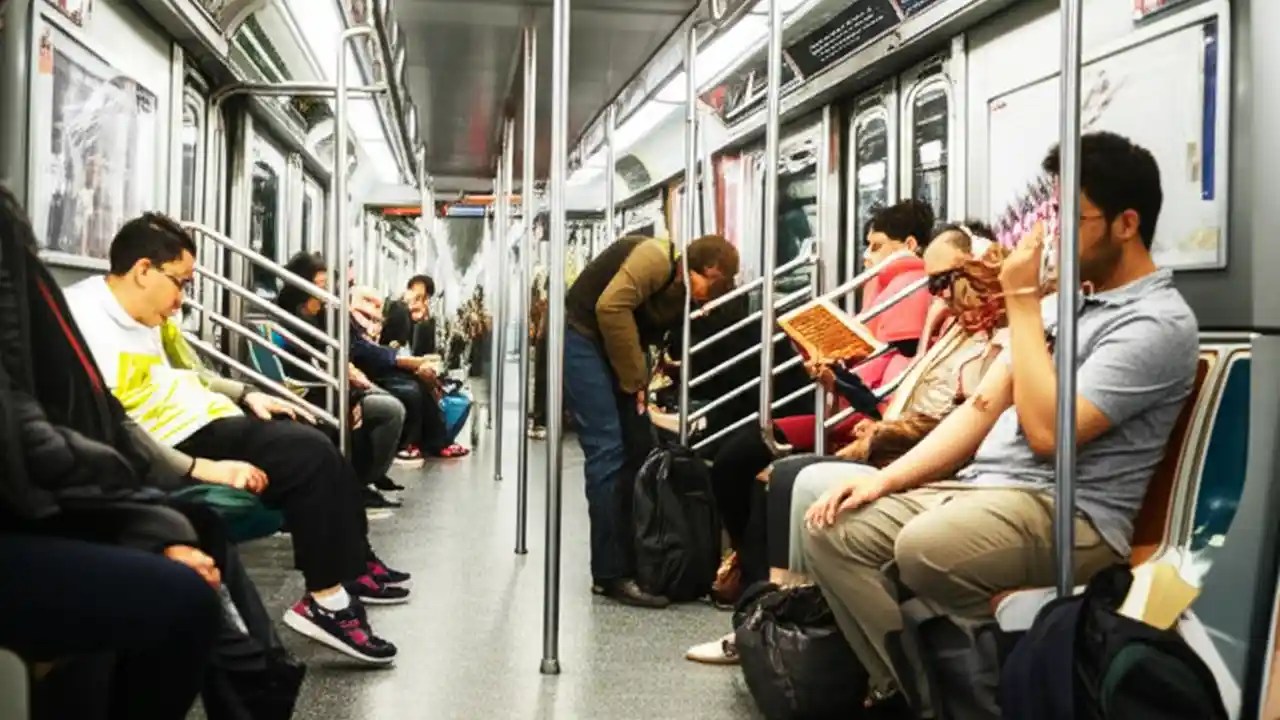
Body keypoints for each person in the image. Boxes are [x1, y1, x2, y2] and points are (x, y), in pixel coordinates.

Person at [800, 132, 1198, 712]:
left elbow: (1047, 436)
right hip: (987, 491)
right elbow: (982, 410)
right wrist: (884, 481)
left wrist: (1023, 304)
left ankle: (972, 696)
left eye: (1072, 217)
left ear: (1126, 224)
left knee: (924, 548)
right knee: (833, 531)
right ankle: (920, 696)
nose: (1056, 231)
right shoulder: (1068, 306)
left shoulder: (1156, 325)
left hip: (1072, 512)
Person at [64, 214, 411, 665]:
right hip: (174, 440)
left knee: (315, 436)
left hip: (202, 419)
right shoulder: (80, 320)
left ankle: (348, 571)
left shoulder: (151, 314)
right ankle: (328, 600)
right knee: (308, 454)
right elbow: (116, 427)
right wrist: (200, 469)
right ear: (144, 270)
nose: (181, 300)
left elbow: (192, 373)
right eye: (181, 283)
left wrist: (248, 393)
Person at [687, 222, 1013, 664]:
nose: (938, 295)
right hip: (884, 430)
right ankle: (769, 618)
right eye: (932, 284)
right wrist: (838, 381)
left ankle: (781, 622)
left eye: (945, 282)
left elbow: (955, 419)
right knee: (759, 468)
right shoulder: (949, 330)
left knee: (786, 479)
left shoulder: (994, 340)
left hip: (908, 450)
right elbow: (894, 401)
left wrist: (880, 432)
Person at [563, 233, 740, 608]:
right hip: (581, 336)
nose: (714, 293)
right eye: (717, 283)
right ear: (706, 269)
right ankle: (610, 573)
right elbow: (611, 308)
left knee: (638, 445)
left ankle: (638, 556)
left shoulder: (685, 292)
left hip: (612, 346)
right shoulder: (655, 258)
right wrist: (634, 380)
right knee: (608, 449)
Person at [278, 251, 409, 500]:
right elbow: (310, 367)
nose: (326, 291)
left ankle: (366, 476)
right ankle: (361, 479)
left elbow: (344, 353)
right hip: (315, 388)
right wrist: (352, 396)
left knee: (392, 398)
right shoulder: (294, 320)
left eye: (327, 285)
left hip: (336, 384)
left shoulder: (323, 316)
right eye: (320, 285)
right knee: (391, 409)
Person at [382, 273, 435, 355]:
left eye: (420, 298)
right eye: (414, 296)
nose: (414, 302)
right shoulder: (398, 312)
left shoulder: (428, 324)